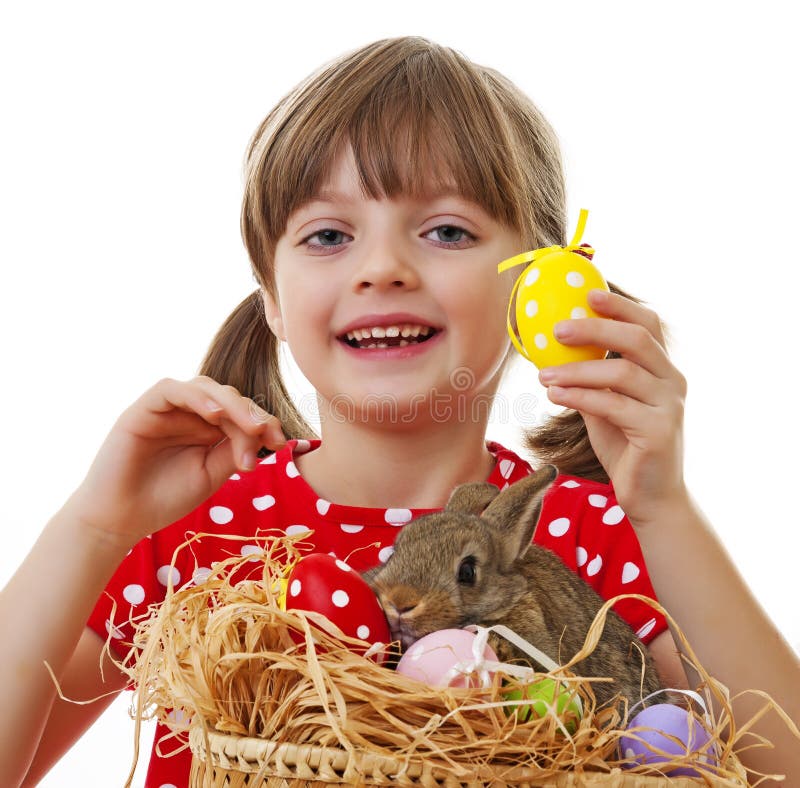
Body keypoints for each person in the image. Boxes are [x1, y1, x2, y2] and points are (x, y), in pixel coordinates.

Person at [1, 36, 797, 787]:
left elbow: (780, 768)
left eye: (447, 230)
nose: (382, 267)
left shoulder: (586, 531)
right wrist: (94, 528)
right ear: (271, 299)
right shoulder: (195, 532)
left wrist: (664, 510)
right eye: (326, 235)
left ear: (536, 286)